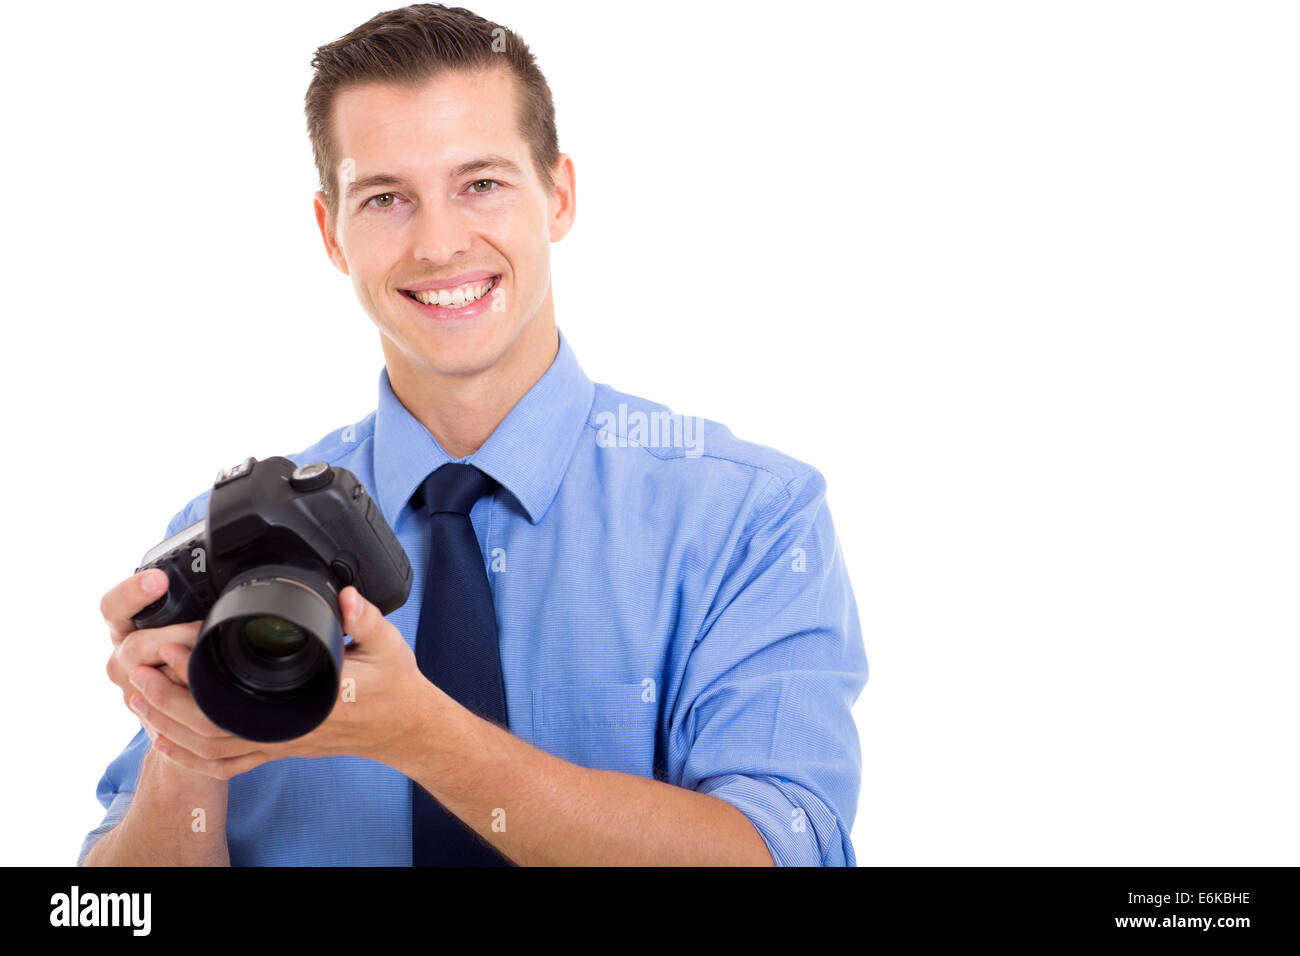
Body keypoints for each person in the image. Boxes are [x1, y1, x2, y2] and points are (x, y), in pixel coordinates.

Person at [81, 3, 868, 867]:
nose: (440, 243)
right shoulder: (238, 537)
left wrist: (427, 739)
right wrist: (183, 748)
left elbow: (778, 852)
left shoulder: (749, 516)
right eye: (386, 198)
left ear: (559, 195)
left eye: (481, 184)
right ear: (330, 235)